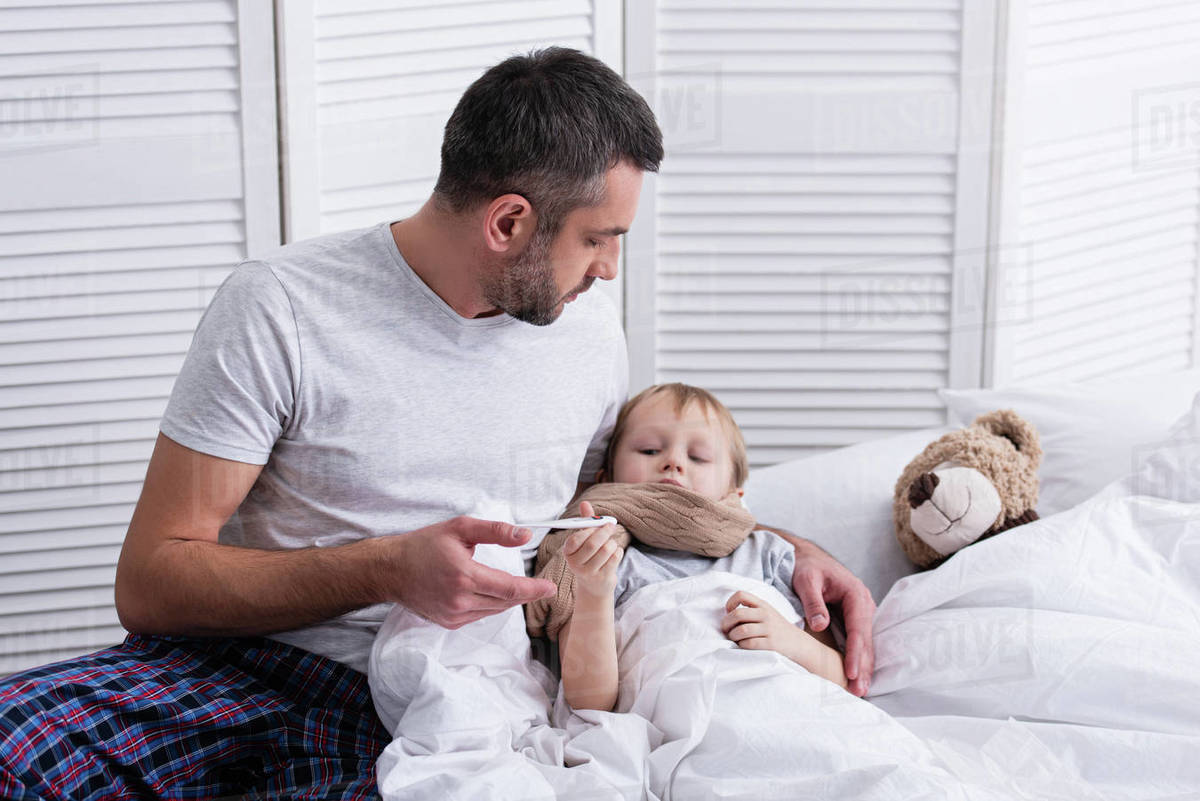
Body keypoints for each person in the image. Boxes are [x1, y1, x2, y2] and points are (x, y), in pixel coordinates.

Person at [0, 48, 873, 800]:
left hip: (444, 705)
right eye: (599, 239)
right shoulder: (281, 309)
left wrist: (784, 541)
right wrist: (387, 567)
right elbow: (152, 582)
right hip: (235, 665)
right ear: (508, 222)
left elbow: (617, 503)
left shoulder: (585, 327)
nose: (610, 269)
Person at [549, 383, 848, 712]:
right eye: (649, 450)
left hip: (783, 712)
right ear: (605, 479)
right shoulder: (598, 561)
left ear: (734, 493)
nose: (674, 462)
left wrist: (792, 642)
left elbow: (840, 682)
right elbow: (589, 704)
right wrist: (594, 591)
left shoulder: (768, 556)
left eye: (698, 457)